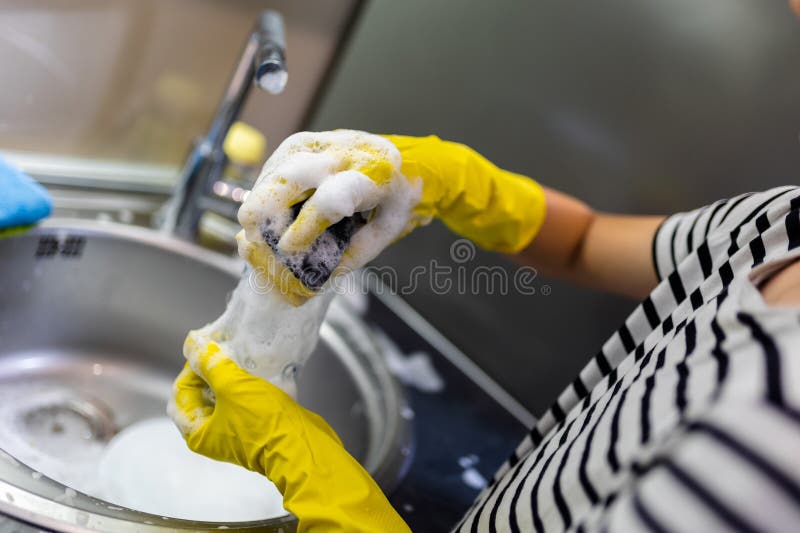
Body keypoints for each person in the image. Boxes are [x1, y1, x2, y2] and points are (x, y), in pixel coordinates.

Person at [168, 6, 800, 533]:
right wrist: (445, 178)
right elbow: (586, 243)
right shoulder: (784, 220)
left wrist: (305, 469)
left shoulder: (774, 440)